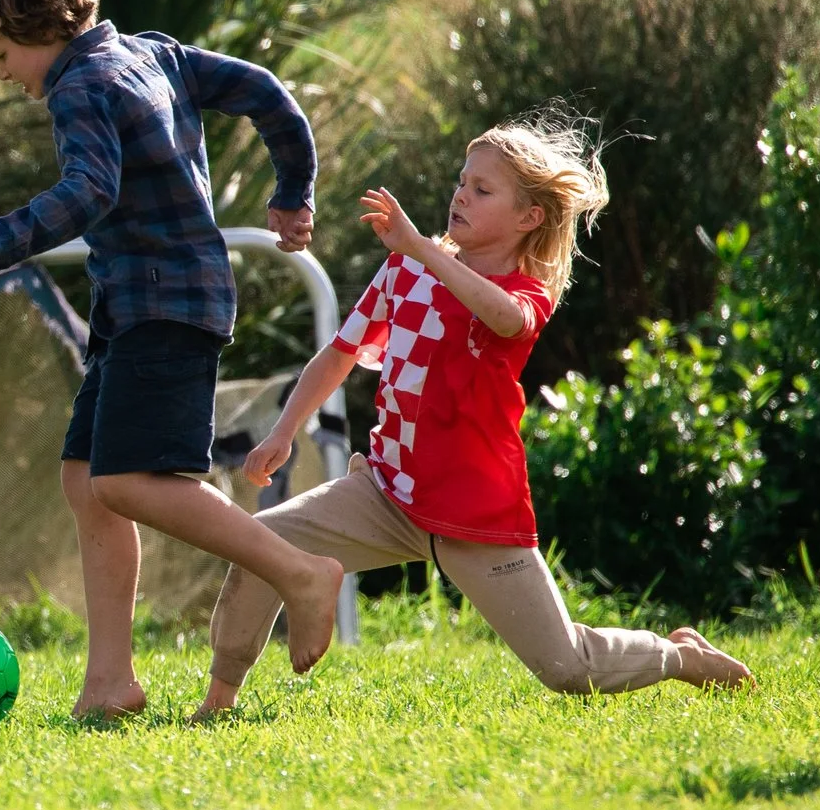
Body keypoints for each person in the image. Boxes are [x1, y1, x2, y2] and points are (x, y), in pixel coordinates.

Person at [198, 112, 752, 718]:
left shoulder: (525, 293)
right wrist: (283, 432)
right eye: (463, 181)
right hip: (386, 491)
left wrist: (419, 247)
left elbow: (505, 320)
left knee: (568, 669)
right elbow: (338, 354)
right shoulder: (405, 269)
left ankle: (679, 656)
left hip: (475, 516)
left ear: (528, 218)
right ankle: (219, 701)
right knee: (262, 541)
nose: (461, 194)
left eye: (482, 189)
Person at [0, 0, 347, 721]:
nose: (3, 77)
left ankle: (300, 571)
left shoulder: (78, 86)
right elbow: (266, 93)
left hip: (166, 299)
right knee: (87, 482)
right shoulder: (150, 51)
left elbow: (89, 190)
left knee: (126, 480)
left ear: (34, 21)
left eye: (0, 57)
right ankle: (110, 682)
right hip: (145, 302)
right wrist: (294, 188)